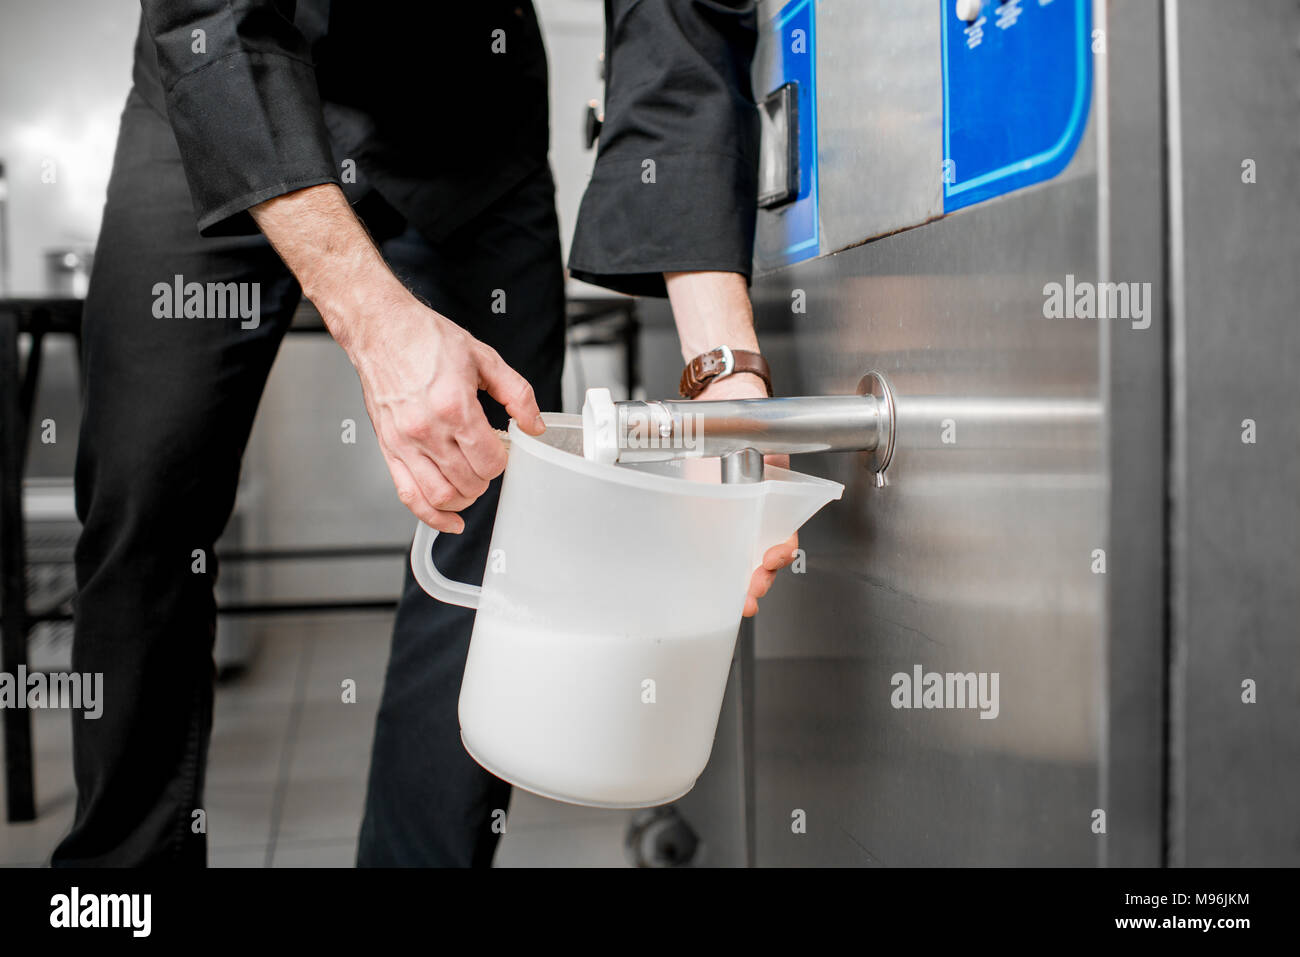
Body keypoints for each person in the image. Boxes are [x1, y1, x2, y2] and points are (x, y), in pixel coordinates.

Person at [52, 0, 792, 867]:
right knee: (143, 491)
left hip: (467, 119)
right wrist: (376, 321)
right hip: (222, 83)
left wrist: (721, 379)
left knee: (499, 506)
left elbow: (672, 22)